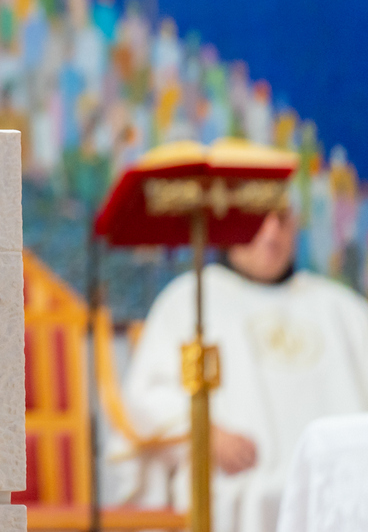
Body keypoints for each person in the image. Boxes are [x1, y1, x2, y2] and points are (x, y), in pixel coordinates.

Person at [120, 207, 368, 532]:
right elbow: (145, 397)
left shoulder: (340, 305)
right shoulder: (191, 297)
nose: (270, 234)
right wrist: (203, 431)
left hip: (339, 486)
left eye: (281, 220)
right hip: (236, 482)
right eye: (256, 219)